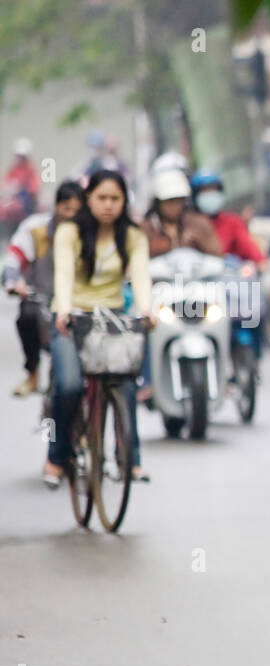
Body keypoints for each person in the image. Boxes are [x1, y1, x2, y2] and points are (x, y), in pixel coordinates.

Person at [44, 170, 154, 487]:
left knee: (126, 383)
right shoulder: (69, 232)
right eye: (102, 198)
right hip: (72, 317)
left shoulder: (133, 235)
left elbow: (142, 276)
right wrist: (64, 310)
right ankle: (56, 456)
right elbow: (63, 274)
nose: (108, 205)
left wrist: (146, 310)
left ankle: (130, 462)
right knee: (68, 386)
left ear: (124, 202)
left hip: (112, 317)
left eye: (115, 199)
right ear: (88, 199)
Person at [5, 180, 84, 397]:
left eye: (77, 211)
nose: (71, 215)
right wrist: (14, 282)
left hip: (78, 304)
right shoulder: (36, 229)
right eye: (66, 209)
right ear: (56, 206)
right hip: (43, 300)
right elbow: (13, 259)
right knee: (27, 316)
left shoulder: (89, 232)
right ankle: (33, 373)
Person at [190, 169, 268, 362]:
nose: (210, 196)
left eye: (214, 190)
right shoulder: (189, 224)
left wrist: (259, 263)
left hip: (229, 288)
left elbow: (250, 250)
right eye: (205, 191)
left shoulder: (231, 223)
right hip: (198, 291)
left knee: (254, 312)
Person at [140, 168, 221, 257]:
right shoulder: (146, 229)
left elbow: (217, 257)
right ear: (158, 202)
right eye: (169, 201)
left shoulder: (199, 224)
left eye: (178, 200)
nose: (174, 206)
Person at [3, 139, 42, 224]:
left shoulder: (31, 171)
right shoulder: (13, 170)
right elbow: (6, 185)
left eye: (22, 156)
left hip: (26, 206)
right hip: (12, 204)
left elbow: (34, 190)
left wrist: (21, 190)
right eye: (18, 156)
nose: (19, 159)